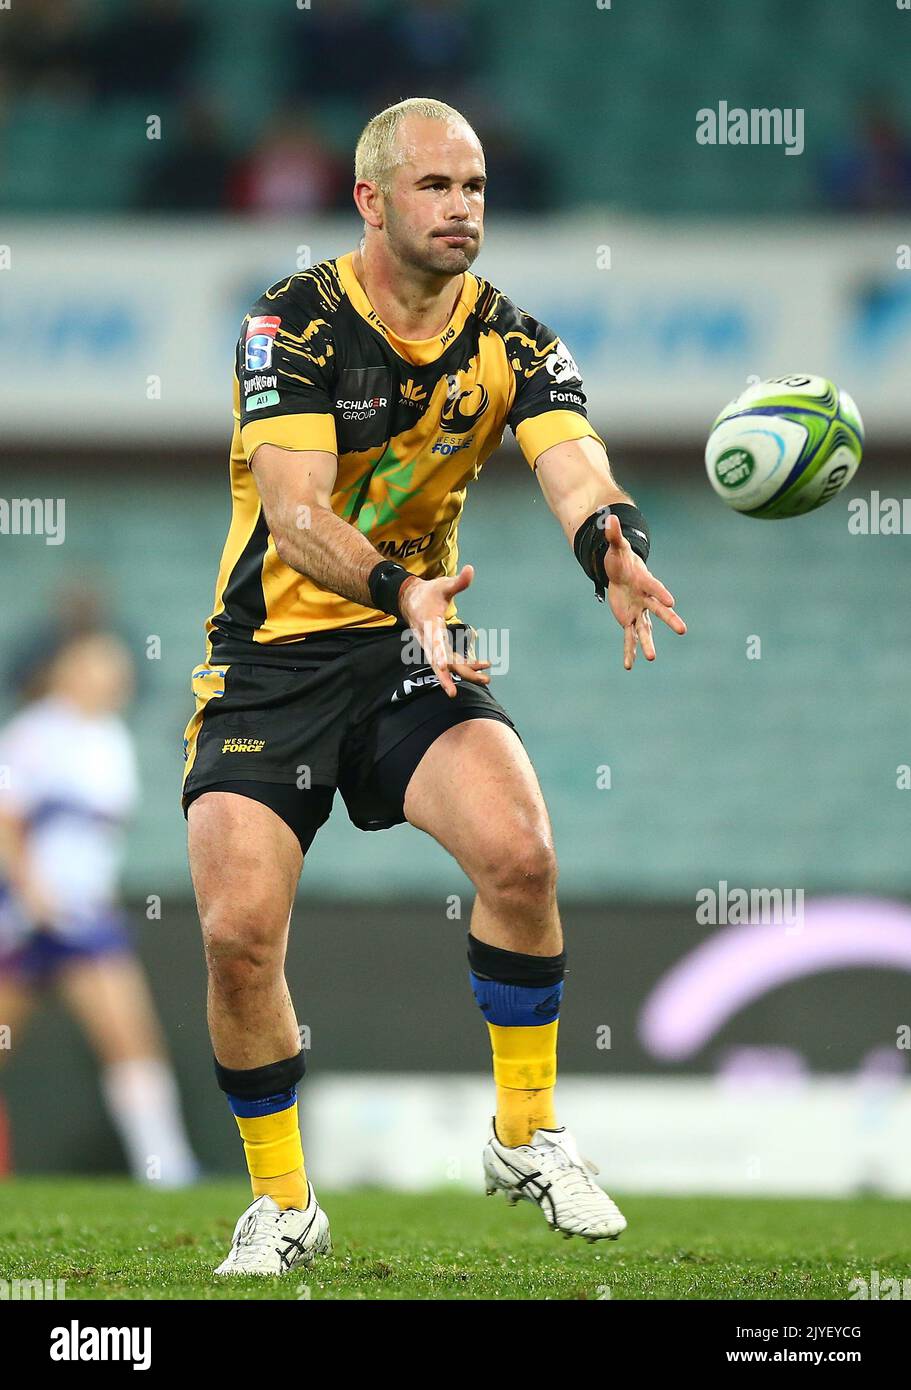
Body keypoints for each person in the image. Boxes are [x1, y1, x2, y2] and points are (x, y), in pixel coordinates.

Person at [182, 96, 686, 1275]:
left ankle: (525, 1135)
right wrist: (403, 580)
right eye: (435, 187)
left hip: (413, 649)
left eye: (473, 188)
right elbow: (299, 515)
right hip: (272, 660)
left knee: (520, 853)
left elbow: (574, 469)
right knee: (237, 935)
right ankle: (285, 1202)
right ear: (370, 199)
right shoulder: (290, 324)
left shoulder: (515, 337)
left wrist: (610, 543)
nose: (463, 208)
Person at [0, 631, 198, 1188]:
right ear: (65, 669)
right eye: (97, 664)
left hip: (84, 919)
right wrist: (31, 894)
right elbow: (8, 820)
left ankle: (168, 1171)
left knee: (129, 1037)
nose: (113, 675)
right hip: (24, 916)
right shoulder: (33, 732)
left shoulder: (110, 737)